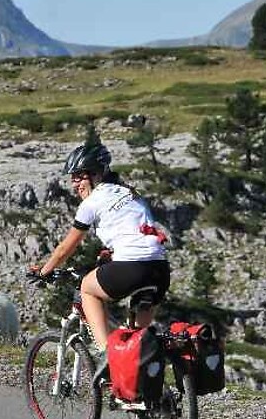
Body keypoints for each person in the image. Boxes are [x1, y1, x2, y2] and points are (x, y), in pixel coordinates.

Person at [30, 140, 170, 354]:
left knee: (87, 288)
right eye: (72, 178)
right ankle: (144, 382)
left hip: (132, 267)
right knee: (137, 346)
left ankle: (107, 354)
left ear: (96, 174)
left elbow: (65, 248)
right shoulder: (130, 192)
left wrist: (44, 271)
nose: (74, 184)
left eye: (78, 177)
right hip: (159, 270)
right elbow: (136, 233)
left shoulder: (92, 202)